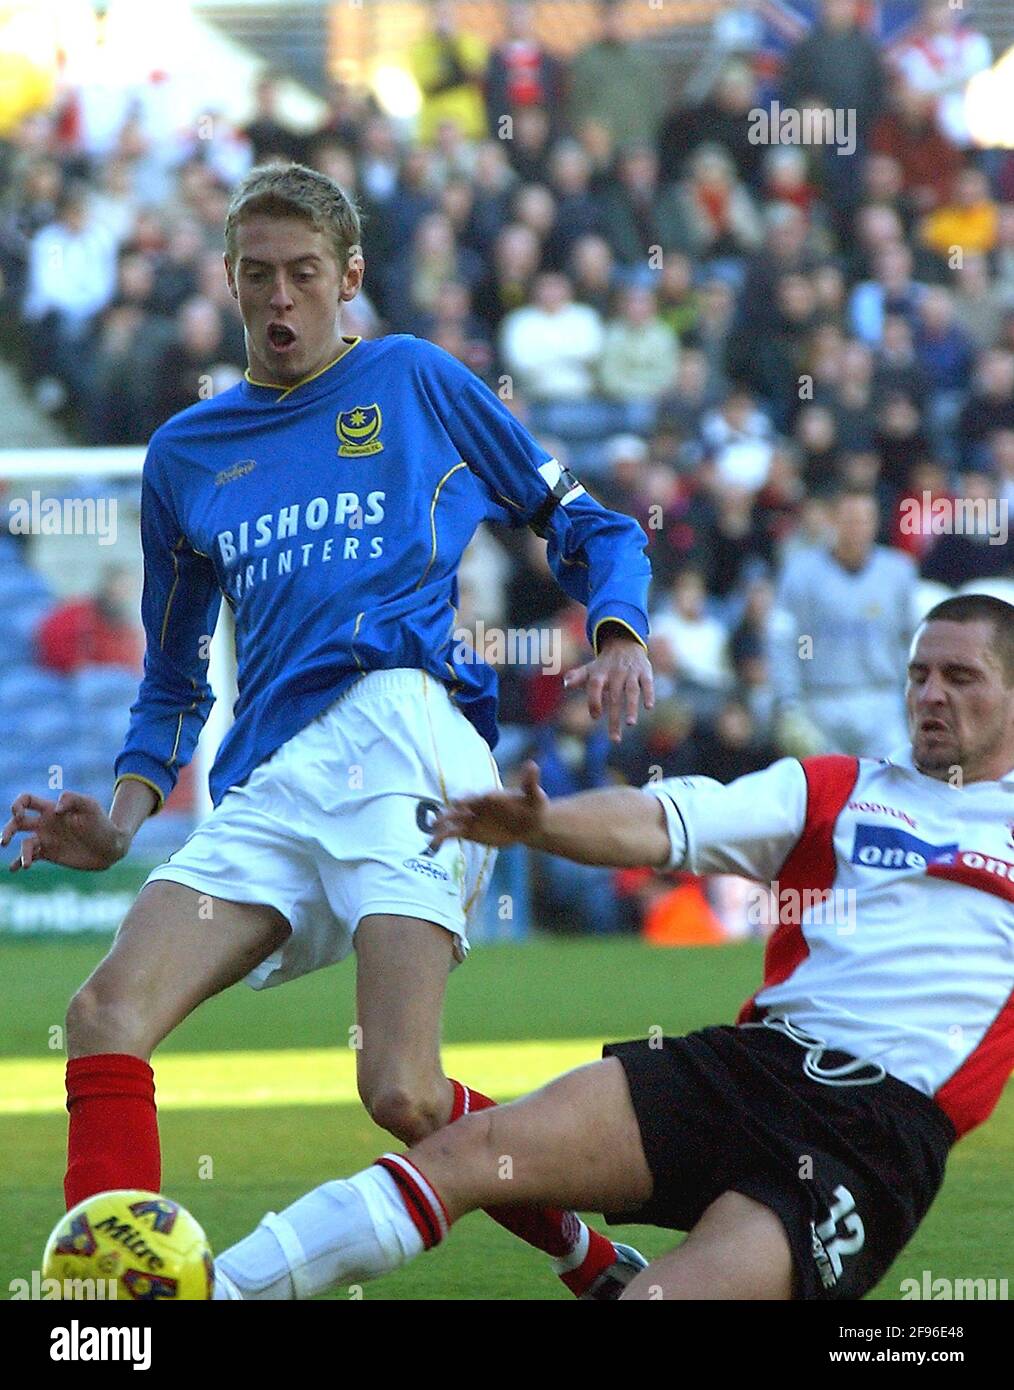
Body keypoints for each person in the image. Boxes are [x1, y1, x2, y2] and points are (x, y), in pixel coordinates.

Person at [0, 161, 656, 1300]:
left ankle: (588, 1250)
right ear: (231, 282)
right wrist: (116, 823)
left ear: (350, 277)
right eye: (258, 276)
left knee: (400, 1091)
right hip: (271, 775)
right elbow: (169, 684)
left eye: (306, 274)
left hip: (408, 740)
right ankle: (112, 1307)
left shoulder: (411, 379)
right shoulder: (187, 456)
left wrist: (617, 627)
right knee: (102, 1012)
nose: (282, 300)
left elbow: (585, 520)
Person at [210, 594, 1014, 1300]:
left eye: (961, 678)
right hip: (753, 1066)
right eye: (919, 675)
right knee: (469, 1154)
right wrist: (543, 823)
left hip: (873, 1134)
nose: (931, 695)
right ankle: (214, 1290)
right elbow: (661, 822)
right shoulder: (840, 789)